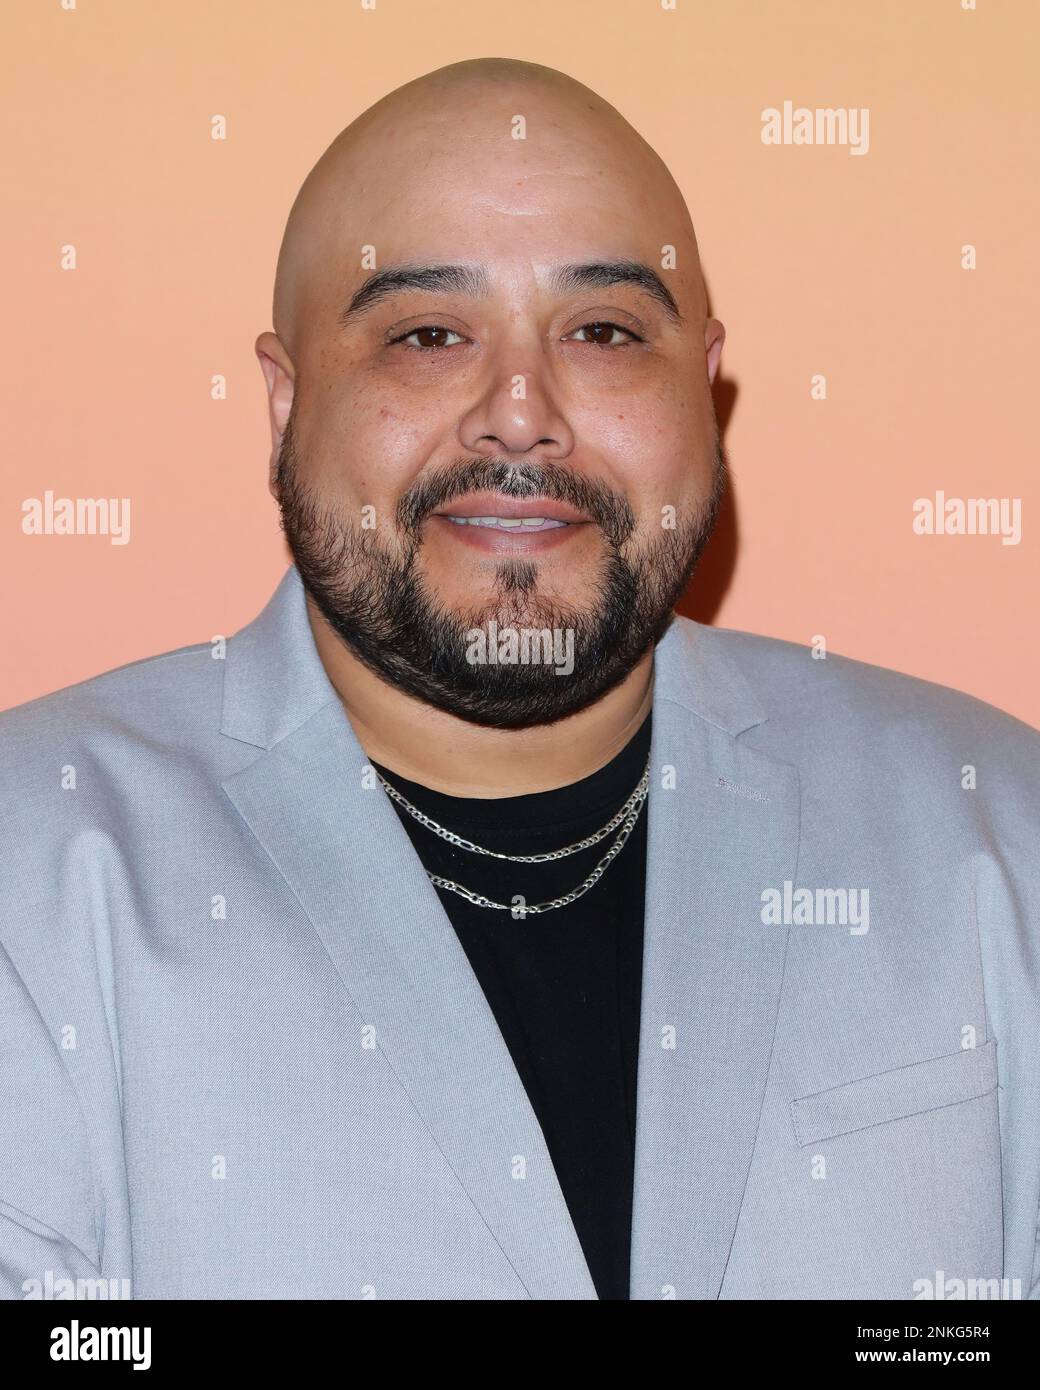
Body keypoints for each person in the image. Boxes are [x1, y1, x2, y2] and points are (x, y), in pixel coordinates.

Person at [2, 58, 1037, 1302]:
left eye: (601, 331)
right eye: (426, 336)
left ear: (704, 388)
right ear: (284, 404)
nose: (518, 414)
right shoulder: (35, 868)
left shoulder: (993, 828)